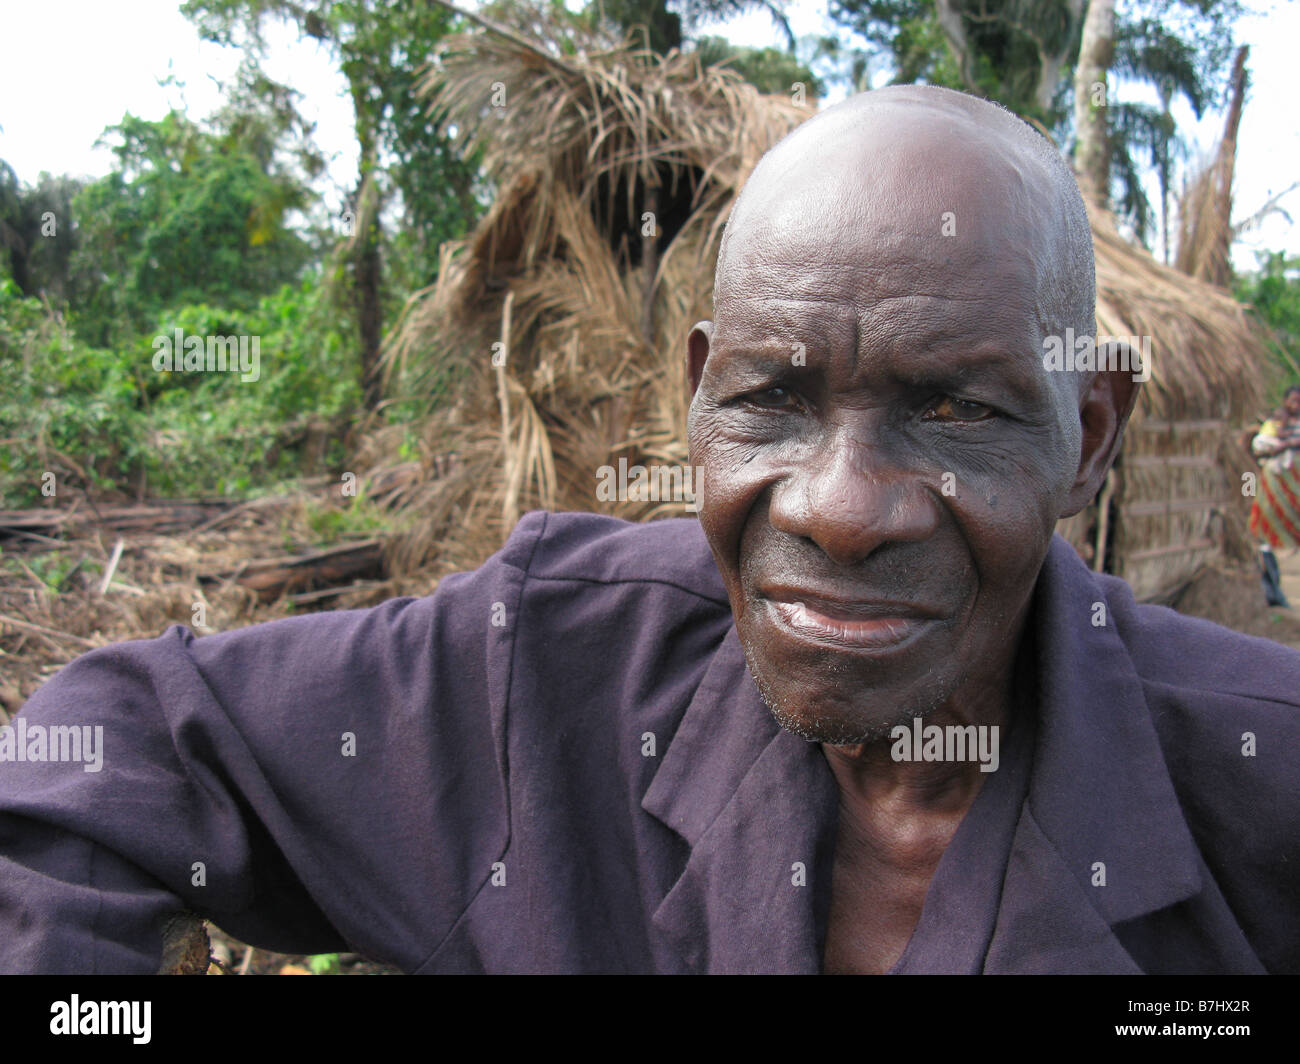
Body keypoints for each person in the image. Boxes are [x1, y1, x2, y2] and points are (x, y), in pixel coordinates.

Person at [2, 85, 1298, 975]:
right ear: (697, 400)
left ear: (1088, 436)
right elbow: (116, 737)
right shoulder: (550, 666)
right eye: (771, 400)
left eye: (955, 408)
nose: (839, 509)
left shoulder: (1257, 776)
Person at [1250, 385, 1300, 605]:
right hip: (1273, 490)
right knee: (1266, 536)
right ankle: (1273, 590)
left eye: (1298, 402)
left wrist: (1288, 444)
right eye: (1292, 401)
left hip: (1294, 492)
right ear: (1284, 401)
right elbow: (1259, 449)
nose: (1294, 405)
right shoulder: (1272, 425)